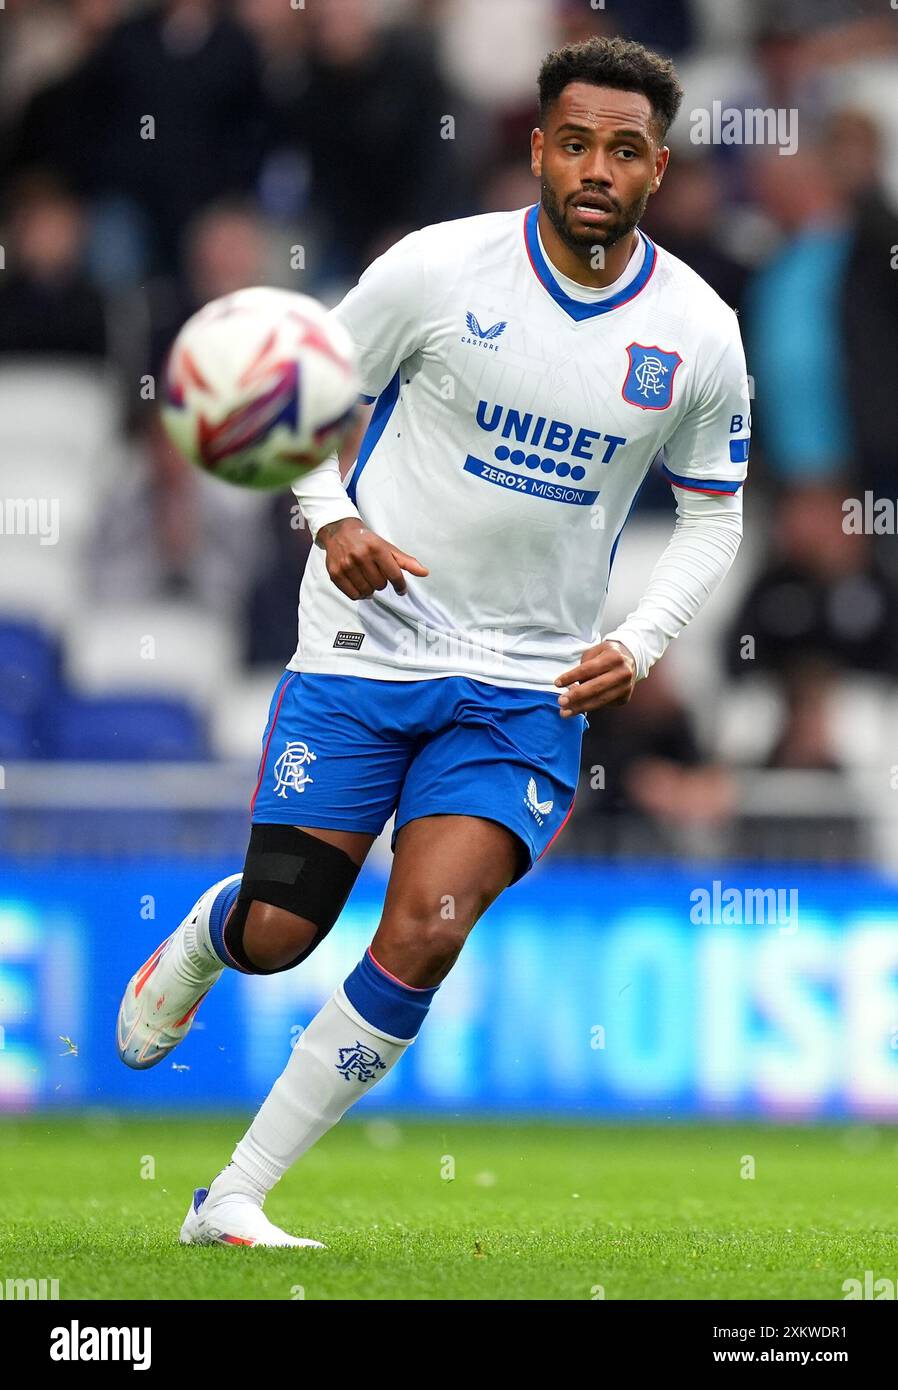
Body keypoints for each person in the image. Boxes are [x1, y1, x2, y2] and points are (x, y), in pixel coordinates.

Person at [116, 36, 749, 1248]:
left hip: (526, 684)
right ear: (538, 149)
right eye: (576, 143)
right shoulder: (436, 268)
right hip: (365, 643)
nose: (596, 169)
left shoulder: (699, 332)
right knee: (281, 931)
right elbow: (295, 404)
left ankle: (233, 1196)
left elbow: (711, 520)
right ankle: (210, 934)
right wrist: (332, 515)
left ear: (657, 169)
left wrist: (646, 639)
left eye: (624, 150)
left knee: (427, 924)